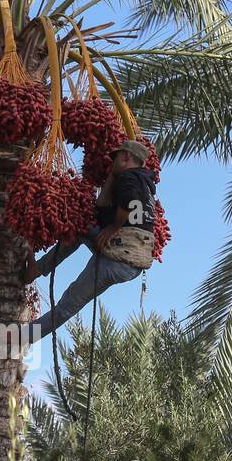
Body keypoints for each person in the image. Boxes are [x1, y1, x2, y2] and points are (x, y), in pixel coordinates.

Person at [25, 139, 156, 343]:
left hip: (118, 258)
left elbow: (129, 201)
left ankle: (20, 336)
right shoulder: (144, 184)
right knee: (79, 229)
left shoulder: (130, 179)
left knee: (69, 303)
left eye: (116, 158)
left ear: (126, 157)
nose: (113, 162)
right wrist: (112, 175)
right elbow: (101, 205)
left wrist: (113, 228)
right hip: (130, 263)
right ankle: (39, 269)